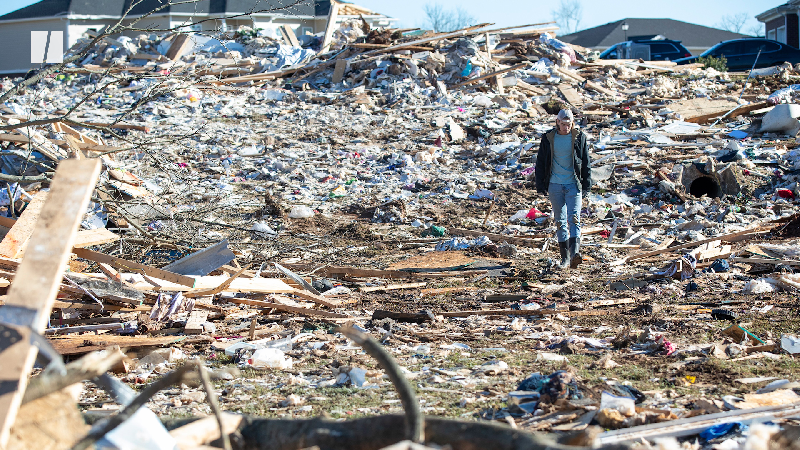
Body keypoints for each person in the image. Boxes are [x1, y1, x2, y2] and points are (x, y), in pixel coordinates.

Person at [534, 109, 592, 269]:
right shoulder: (548, 138)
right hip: (555, 184)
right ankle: (565, 259)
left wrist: (586, 185)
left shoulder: (579, 137)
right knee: (560, 221)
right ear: (557, 122)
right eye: (563, 124)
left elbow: (586, 162)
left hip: (573, 184)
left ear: (572, 123)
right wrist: (540, 184)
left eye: (568, 124)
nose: (566, 127)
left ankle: (575, 254)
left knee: (574, 218)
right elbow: (540, 162)